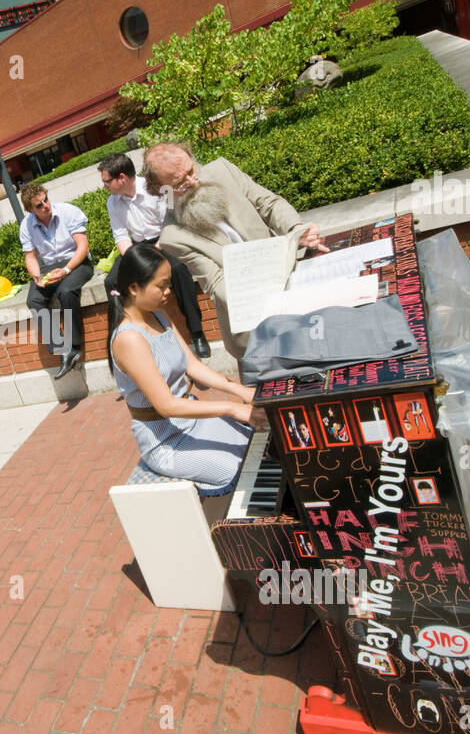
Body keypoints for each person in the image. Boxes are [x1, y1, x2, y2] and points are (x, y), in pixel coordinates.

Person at [107, 243, 268, 492]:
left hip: (189, 420)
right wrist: (232, 408)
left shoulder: (158, 314)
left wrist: (240, 390)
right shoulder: (128, 338)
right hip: (166, 441)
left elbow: (191, 364)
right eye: (161, 286)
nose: (168, 291)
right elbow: (166, 405)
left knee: (255, 437)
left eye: (168, 283)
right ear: (134, 288)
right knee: (238, 467)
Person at [145, 142, 329, 358]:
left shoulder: (222, 170)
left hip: (295, 292)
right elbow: (216, 286)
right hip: (255, 332)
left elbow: (268, 204)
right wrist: (266, 290)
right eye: (180, 182)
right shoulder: (173, 236)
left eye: (192, 171)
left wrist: (297, 229)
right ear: (161, 190)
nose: (193, 182)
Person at [99, 152, 210, 358]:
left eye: (107, 181)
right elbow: (121, 234)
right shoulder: (112, 203)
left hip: (165, 239)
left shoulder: (158, 189)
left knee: (177, 269)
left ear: (121, 178)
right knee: (112, 282)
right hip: (137, 247)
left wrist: (157, 248)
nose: (104, 186)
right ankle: (128, 336)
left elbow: (171, 222)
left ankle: (197, 333)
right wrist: (133, 257)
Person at [18, 184, 92, 379]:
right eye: (39, 205)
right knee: (33, 299)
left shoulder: (68, 211)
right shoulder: (26, 225)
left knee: (66, 292)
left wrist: (67, 269)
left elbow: (83, 246)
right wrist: (36, 276)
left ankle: (75, 346)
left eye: (45, 200)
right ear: (30, 209)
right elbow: (31, 257)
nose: (45, 206)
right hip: (49, 267)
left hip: (77, 262)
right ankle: (62, 349)